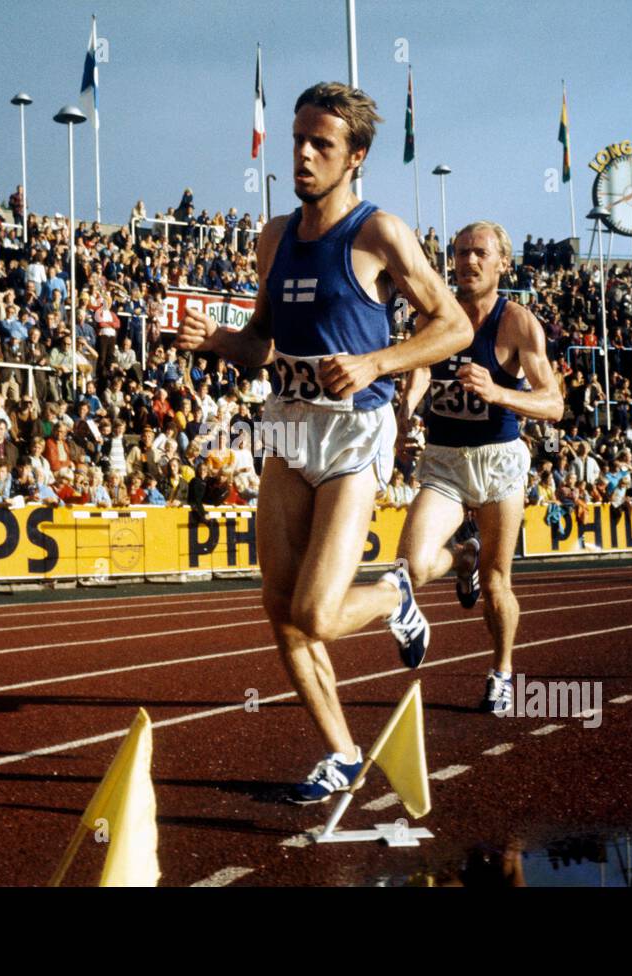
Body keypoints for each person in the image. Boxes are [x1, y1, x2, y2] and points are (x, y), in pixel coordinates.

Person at [175, 82, 473, 804]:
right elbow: (260, 343)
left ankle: (394, 592)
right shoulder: (273, 237)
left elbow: (455, 326)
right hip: (287, 424)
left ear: (355, 157)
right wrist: (215, 340)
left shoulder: (379, 234)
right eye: (298, 141)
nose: (304, 156)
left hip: (353, 434)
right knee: (280, 610)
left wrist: (377, 363)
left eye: (322, 145)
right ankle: (341, 753)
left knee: (315, 612)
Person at [394, 221, 563, 714]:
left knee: (495, 582)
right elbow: (420, 368)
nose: (468, 261)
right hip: (444, 459)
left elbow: (553, 404)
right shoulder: (434, 314)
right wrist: (407, 408)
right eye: (461, 252)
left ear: (502, 263)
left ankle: (502, 672)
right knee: (411, 567)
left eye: (480, 253)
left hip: (498, 462)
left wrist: (497, 392)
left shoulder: (518, 323)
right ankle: (460, 559)